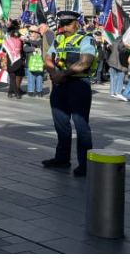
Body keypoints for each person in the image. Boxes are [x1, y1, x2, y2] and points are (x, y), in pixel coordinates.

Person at [43, 10, 98, 177]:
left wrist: (63, 75)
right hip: (60, 85)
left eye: (68, 24)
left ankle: (85, 164)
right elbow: (48, 58)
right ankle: (62, 158)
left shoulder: (85, 39)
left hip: (78, 85)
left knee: (81, 126)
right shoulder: (59, 39)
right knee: (61, 124)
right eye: (62, 24)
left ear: (77, 23)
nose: (65, 27)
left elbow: (85, 62)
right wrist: (54, 74)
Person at [23, 25, 48, 97]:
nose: (31, 33)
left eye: (33, 32)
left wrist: (28, 40)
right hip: (30, 62)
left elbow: (37, 43)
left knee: (39, 77)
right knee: (31, 77)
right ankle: (31, 91)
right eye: (30, 32)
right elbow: (25, 49)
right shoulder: (28, 41)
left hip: (39, 62)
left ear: (37, 33)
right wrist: (34, 49)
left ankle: (39, 91)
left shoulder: (40, 40)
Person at [4, 21, 25, 99]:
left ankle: (13, 93)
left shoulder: (7, 41)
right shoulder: (19, 41)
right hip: (17, 60)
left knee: (12, 77)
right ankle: (14, 93)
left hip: (10, 61)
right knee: (13, 77)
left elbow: (3, 50)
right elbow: (21, 50)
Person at [104, 34, 128, 99]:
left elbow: (111, 49)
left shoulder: (115, 41)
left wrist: (109, 46)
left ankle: (112, 92)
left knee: (113, 77)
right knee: (120, 78)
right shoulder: (124, 43)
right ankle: (117, 92)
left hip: (112, 61)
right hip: (121, 63)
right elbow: (124, 52)